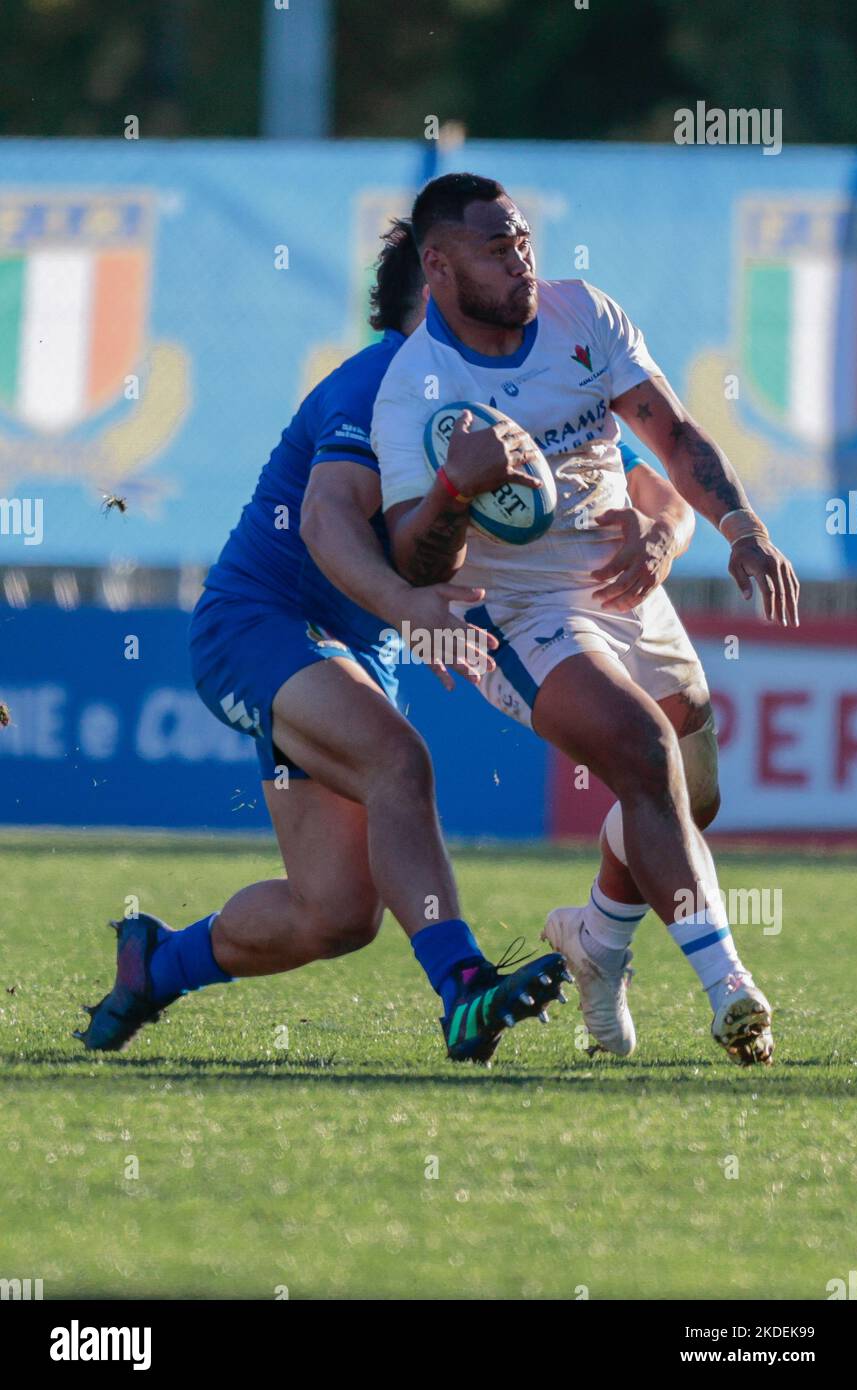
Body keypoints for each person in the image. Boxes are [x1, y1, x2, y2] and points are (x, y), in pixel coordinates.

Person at [74, 219, 569, 1065]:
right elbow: (324, 522)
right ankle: (462, 989)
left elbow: (628, 461)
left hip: (348, 648)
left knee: (335, 914)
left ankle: (155, 966)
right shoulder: (378, 381)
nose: (517, 285)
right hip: (257, 624)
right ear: (434, 283)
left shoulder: (489, 393)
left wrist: (657, 527)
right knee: (396, 760)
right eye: (490, 259)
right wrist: (412, 607)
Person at [371, 173, 801, 1066]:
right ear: (440, 265)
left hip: (625, 590)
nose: (521, 259)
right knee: (643, 752)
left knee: (693, 792)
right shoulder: (414, 389)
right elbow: (413, 559)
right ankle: (730, 989)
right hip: (518, 615)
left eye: (523, 238)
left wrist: (736, 526)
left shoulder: (583, 315)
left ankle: (596, 942)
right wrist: (457, 485)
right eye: (498, 248)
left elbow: (672, 435)